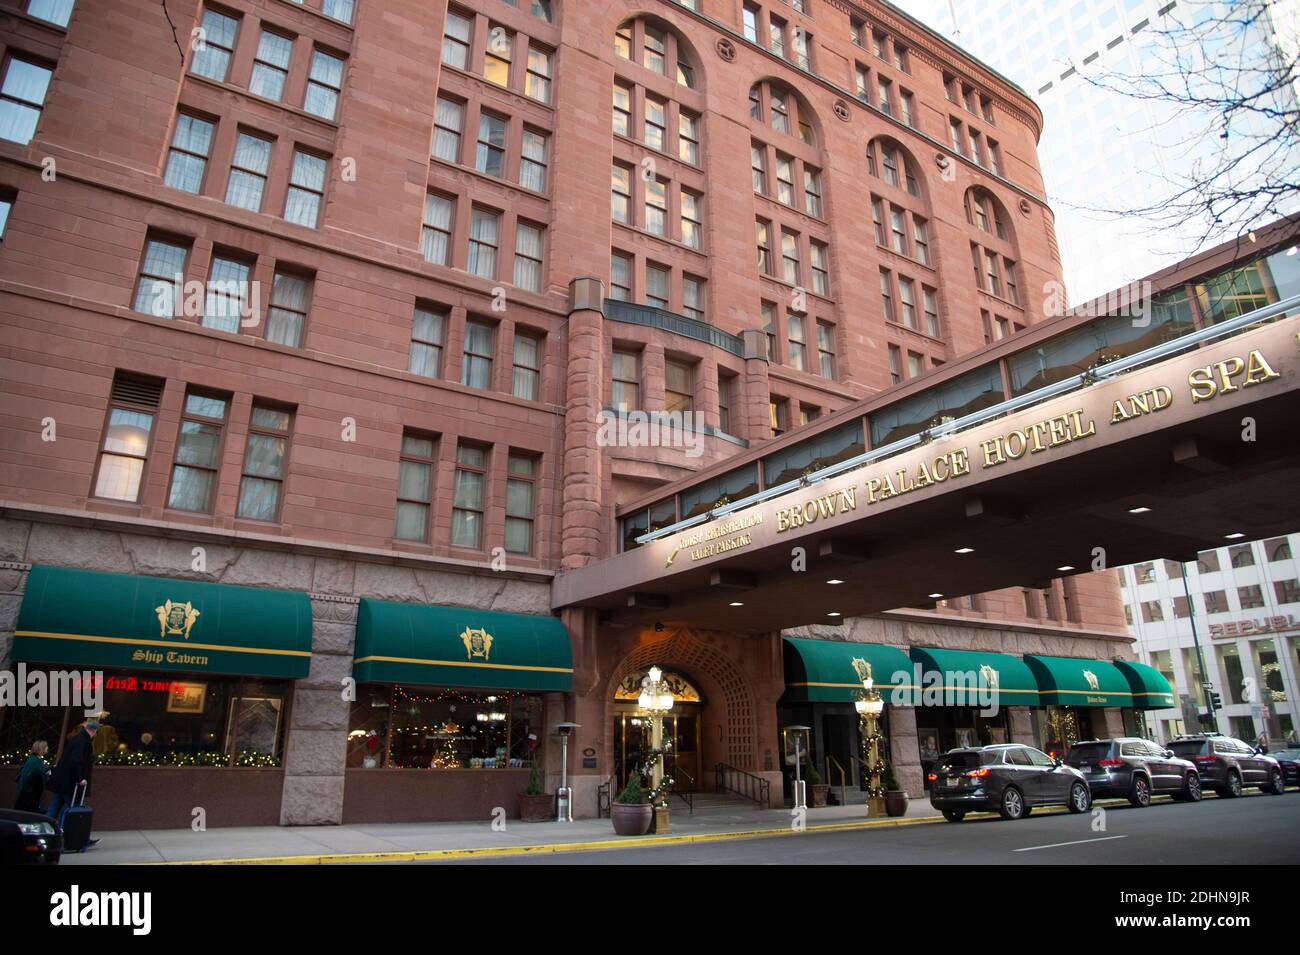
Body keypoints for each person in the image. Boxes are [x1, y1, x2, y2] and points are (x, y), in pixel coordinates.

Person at [46, 719, 99, 848]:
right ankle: (79, 838)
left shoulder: (76, 739)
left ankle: (45, 833)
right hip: (69, 783)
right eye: (96, 731)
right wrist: (80, 778)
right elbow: (77, 761)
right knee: (76, 810)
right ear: (93, 730)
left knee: (53, 809)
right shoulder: (84, 742)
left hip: (62, 781)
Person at [13, 740, 50, 813]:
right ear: (41, 748)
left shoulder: (32, 759)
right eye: (46, 747)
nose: (47, 748)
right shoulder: (36, 761)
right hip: (30, 791)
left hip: (26, 790)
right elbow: (42, 772)